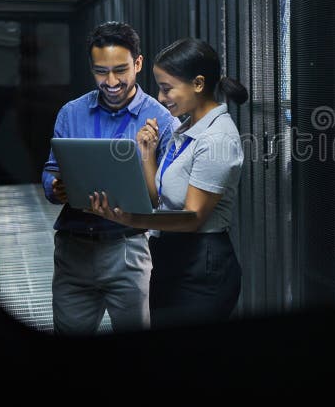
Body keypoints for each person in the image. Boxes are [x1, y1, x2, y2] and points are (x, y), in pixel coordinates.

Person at [89, 37, 248, 328]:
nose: (161, 98)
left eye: (167, 88)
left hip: (201, 266)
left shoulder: (217, 138)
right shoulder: (186, 128)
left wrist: (129, 219)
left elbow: (192, 218)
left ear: (198, 84)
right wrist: (147, 154)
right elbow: (158, 200)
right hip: (171, 257)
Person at [42, 21, 180, 335]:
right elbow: (51, 170)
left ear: (138, 63)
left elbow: (167, 196)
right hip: (73, 252)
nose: (112, 81)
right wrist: (55, 186)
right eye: (101, 72)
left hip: (127, 250)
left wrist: (147, 157)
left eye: (121, 70)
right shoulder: (71, 113)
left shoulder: (162, 119)